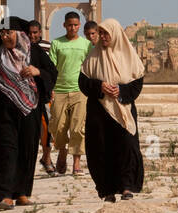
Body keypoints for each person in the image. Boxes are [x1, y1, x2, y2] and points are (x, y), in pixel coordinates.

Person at [0, 20, 43, 208]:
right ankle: (3, 195)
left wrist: (37, 72)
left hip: (29, 113)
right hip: (0, 115)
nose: (4, 37)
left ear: (19, 34)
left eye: (8, 33)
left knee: (26, 151)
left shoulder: (33, 52)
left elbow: (50, 72)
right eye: (1, 34)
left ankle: (21, 192)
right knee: (4, 152)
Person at [78, 18, 145, 201]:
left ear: (115, 34)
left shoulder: (128, 55)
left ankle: (126, 187)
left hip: (123, 109)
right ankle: (106, 189)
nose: (102, 36)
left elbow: (137, 82)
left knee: (127, 146)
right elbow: (83, 82)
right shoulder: (94, 55)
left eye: (106, 33)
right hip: (99, 111)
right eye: (101, 33)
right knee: (100, 149)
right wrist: (100, 86)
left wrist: (121, 90)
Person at [49, 11, 92, 175]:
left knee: (78, 129)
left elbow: (90, 67)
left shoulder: (86, 45)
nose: (72, 28)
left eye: (75, 25)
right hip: (59, 91)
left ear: (79, 26)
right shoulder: (57, 43)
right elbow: (52, 68)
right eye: (69, 25)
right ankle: (62, 150)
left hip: (79, 91)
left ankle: (76, 163)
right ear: (64, 25)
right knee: (58, 127)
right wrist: (50, 89)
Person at [29, 20, 56, 171]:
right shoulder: (21, 48)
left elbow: (51, 70)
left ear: (40, 33)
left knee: (47, 127)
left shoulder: (48, 46)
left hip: (44, 93)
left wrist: (51, 88)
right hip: (27, 95)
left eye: (35, 32)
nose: (32, 35)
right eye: (30, 32)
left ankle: (47, 157)